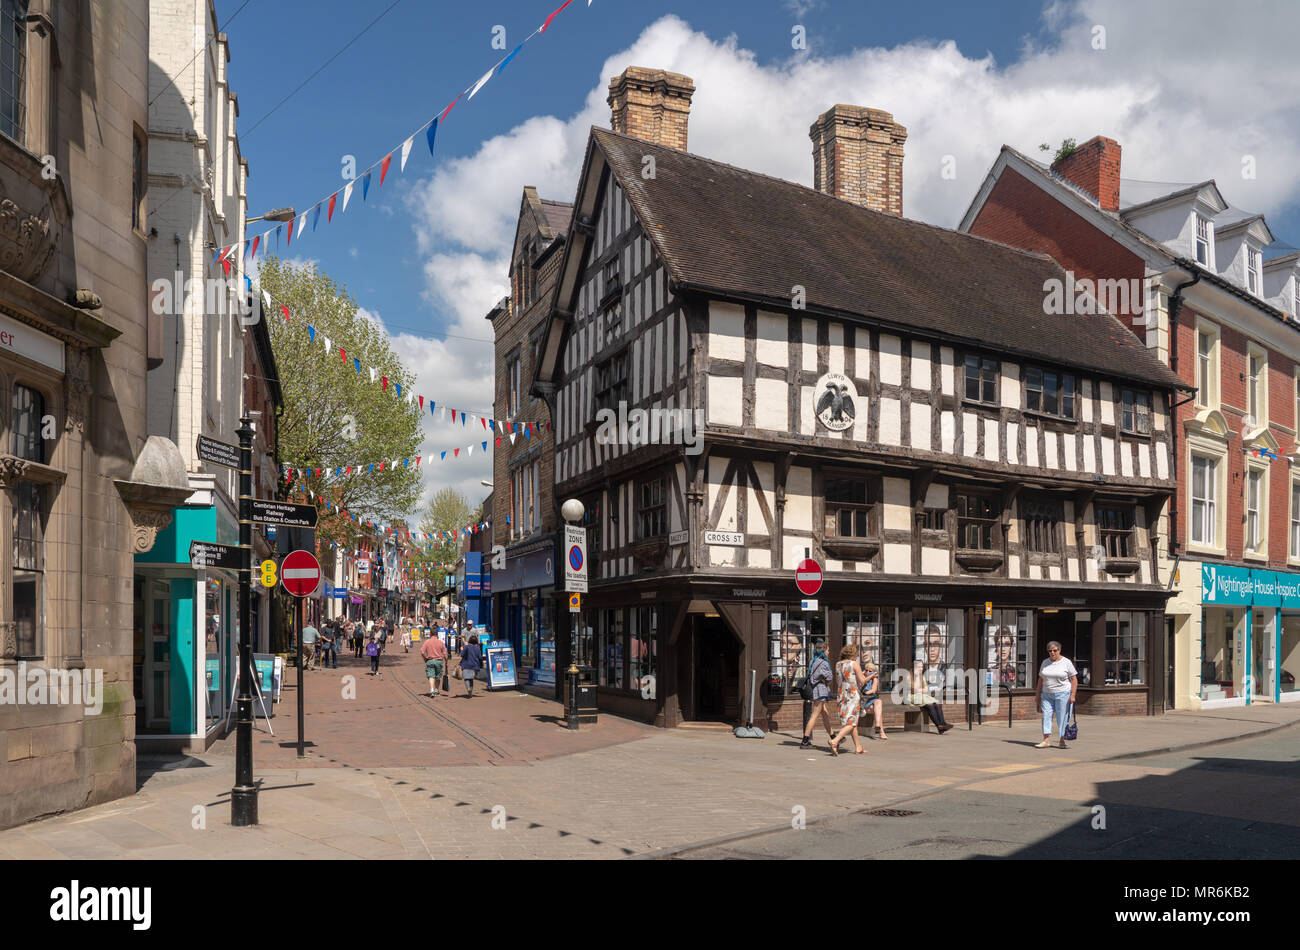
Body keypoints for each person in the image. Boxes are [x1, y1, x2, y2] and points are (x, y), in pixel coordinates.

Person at [1035, 640, 1078, 748]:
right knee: (1046, 715)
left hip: (1062, 694)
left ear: (1059, 650)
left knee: (1062, 717)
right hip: (1047, 694)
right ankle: (1046, 740)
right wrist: (1037, 694)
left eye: (1055, 650)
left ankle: (1062, 740)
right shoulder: (1045, 662)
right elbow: (1041, 679)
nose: (1052, 653)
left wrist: (1072, 695)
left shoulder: (1066, 662)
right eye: (1050, 651)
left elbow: (1074, 679)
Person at [830, 644, 868, 755]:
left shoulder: (837, 664)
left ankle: (858, 747)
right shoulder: (854, 664)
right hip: (852, 695)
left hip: (842, 694)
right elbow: (862, 681)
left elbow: (839, 681)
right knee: (851, 722)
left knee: (851, 721)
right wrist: (867, 676)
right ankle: (835, 741)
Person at [799, 638, 836, 748]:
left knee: (824, 714)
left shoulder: (813, 661)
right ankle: (805, 740)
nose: (829, 652)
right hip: (820, 691)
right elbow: (829, 677)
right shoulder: (824, 663)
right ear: (824, 651)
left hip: (816, 690)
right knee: (814, 716)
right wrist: (825, 680)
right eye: (828, 650)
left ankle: (834, 736)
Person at [908, 661, 953, 733]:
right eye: (919, 667)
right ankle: (939, 726)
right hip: (912, 697)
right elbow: (914, 690)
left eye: (922, 667)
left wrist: (921, 690)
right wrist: (920, 688)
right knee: (930, 705)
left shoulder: (921, 677)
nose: (921, 668)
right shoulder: (909, 676)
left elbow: (926, 689)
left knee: (937, 703)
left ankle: (943, 724)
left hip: (922, 696)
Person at [861, 661, 886, 740]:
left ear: (874, 672)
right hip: (863, 701)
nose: (868, 672)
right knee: (877, 711)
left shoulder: (875, 678)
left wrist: (866, 692)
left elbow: (873, 690)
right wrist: (864, 673)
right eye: (866, 670)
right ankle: (881, 732)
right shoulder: (861, 678)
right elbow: (862, 681)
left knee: (878, 702)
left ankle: (877, 725)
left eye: (870, 671)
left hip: (871, 699)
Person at [421, 629, 447, 697]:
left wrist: (425, 659)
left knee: (431, 676)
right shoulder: (441, 642)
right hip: (439, 661)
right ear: (437, 634)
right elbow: (445, 653)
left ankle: (432, 689)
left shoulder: (427, 642)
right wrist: (446, 661)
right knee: (438, 676)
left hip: (430, 660)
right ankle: (436, 690)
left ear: (430, 634)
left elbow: (422, 652)